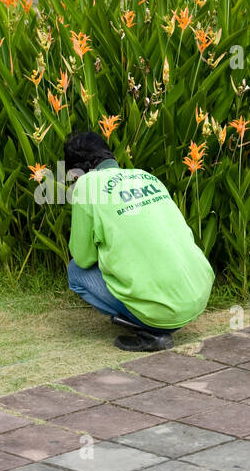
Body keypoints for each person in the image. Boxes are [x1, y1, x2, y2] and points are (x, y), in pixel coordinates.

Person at [64, 130, 214, 351]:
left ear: (77, 172)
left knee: (75, 272)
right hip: (198, 296)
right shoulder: (146, 175)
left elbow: (84, 257)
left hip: (163, 313)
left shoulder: (87, 187)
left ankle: (151, 330)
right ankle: (164, 313)